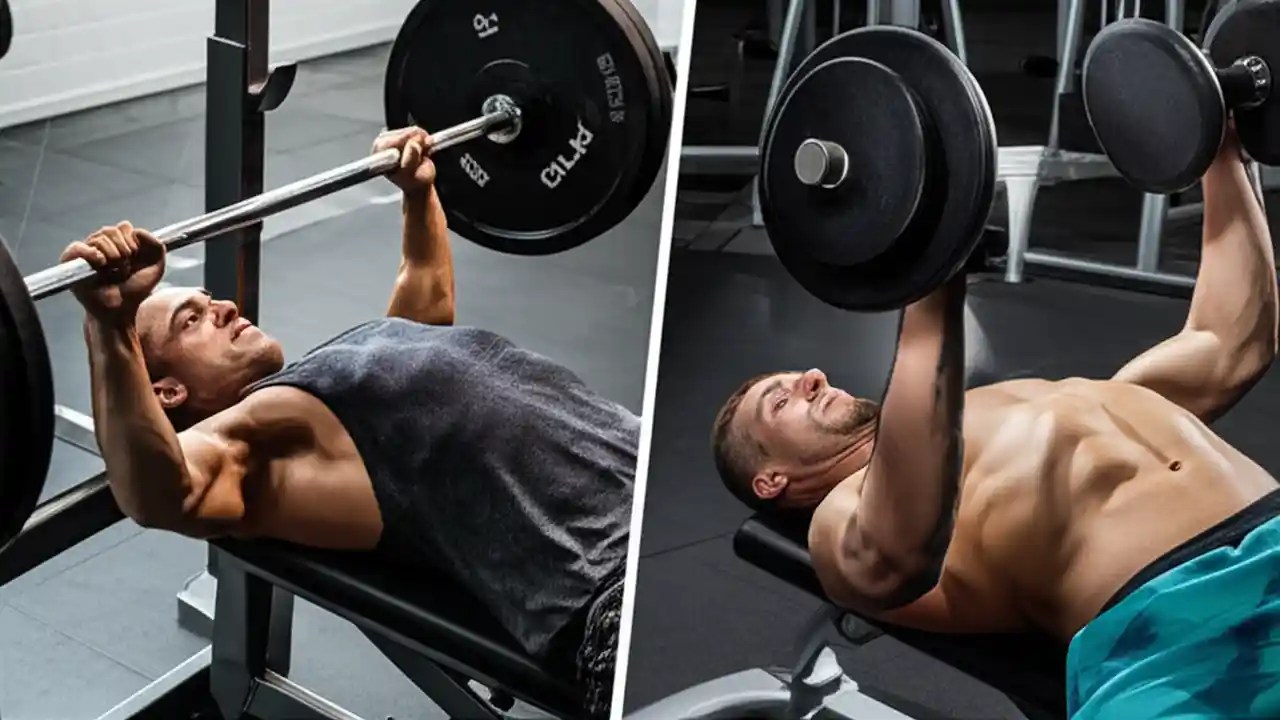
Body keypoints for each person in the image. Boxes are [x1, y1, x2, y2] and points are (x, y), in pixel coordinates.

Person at [711, 123, 1280, 719]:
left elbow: (1226, 346)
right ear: (770, 479)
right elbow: (901, 547)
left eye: (802, 380)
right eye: (781, 402)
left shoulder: (1045, 403)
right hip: (1182, 639)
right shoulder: (841, 524)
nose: (812, 379)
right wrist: (930, 278)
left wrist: (1221, 145)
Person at [65, 127, 635, 719]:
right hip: (607, 583)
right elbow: (163, 493)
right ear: (168, 389)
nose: (227, 307)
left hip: (646, 483)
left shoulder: (339, 382)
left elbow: (423, 312)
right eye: (194, 320)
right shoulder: (254, 443)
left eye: (211, 301)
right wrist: (110, 326)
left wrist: (418, 194)